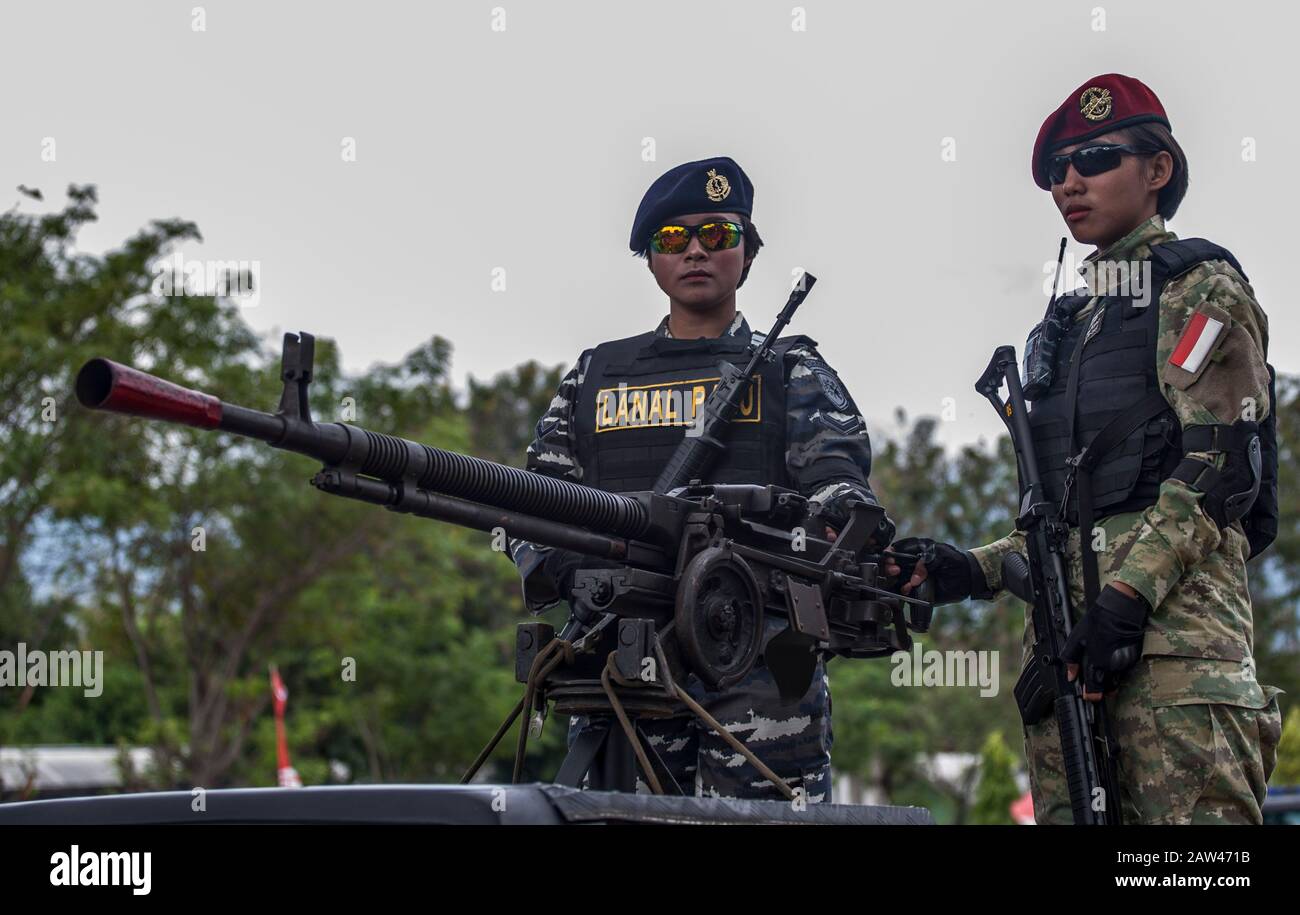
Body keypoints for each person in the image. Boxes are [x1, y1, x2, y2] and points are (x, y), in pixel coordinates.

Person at [889, 74, 1282, 824]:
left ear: (1158, 170)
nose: (1069, 182)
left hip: (1175, 672)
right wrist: (963, 569)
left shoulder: (1199, 288)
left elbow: (1215, 470)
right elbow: (1058, 523)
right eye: (1055, 172)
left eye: (1095, 158)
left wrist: (1125, 600)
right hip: (1072, 668)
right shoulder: (1070, 329)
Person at [509, 156, 892, 801]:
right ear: (650, 258)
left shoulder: (789, 370)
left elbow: (842, 494)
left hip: (758, 666)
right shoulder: (596, 375)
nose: (695, 251)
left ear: (747, 253)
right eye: (673, 238)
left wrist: (776, 546)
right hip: (623, 659)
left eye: (717, 234)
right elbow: (531, 505)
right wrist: (577, 573)